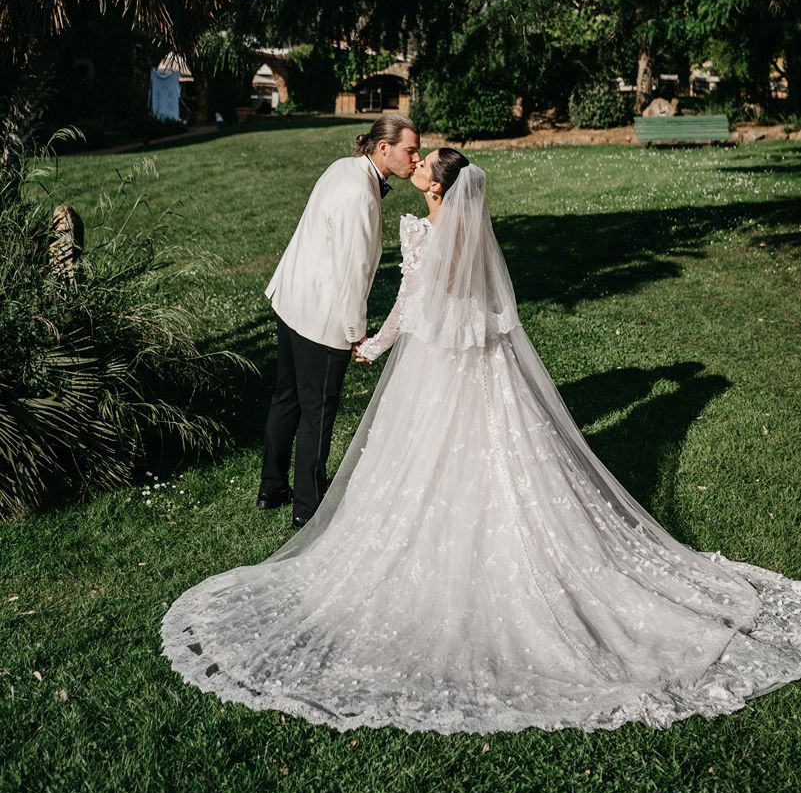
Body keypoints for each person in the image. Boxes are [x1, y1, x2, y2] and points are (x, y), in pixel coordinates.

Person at [163, 152, 801, 734]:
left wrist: (374, 347)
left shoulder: (427, 233)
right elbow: (490, 311)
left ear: (438, 187)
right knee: (505, 457)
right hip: (484, 364)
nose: (416, 165)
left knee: (421, 457)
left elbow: (413, 308)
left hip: (433, 368)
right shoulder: (470, 233)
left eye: (425, 165)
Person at [257, 114, 420, 528]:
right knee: (318, 411)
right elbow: (351, 273)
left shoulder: (342, 167)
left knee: (286, 398)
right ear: (384, 148)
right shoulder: (360, 196)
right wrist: (356, 333)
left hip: (291, 299)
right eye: (410, 151)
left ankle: (271, 487)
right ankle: (307, 509)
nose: (415, 159)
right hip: (321, 318)